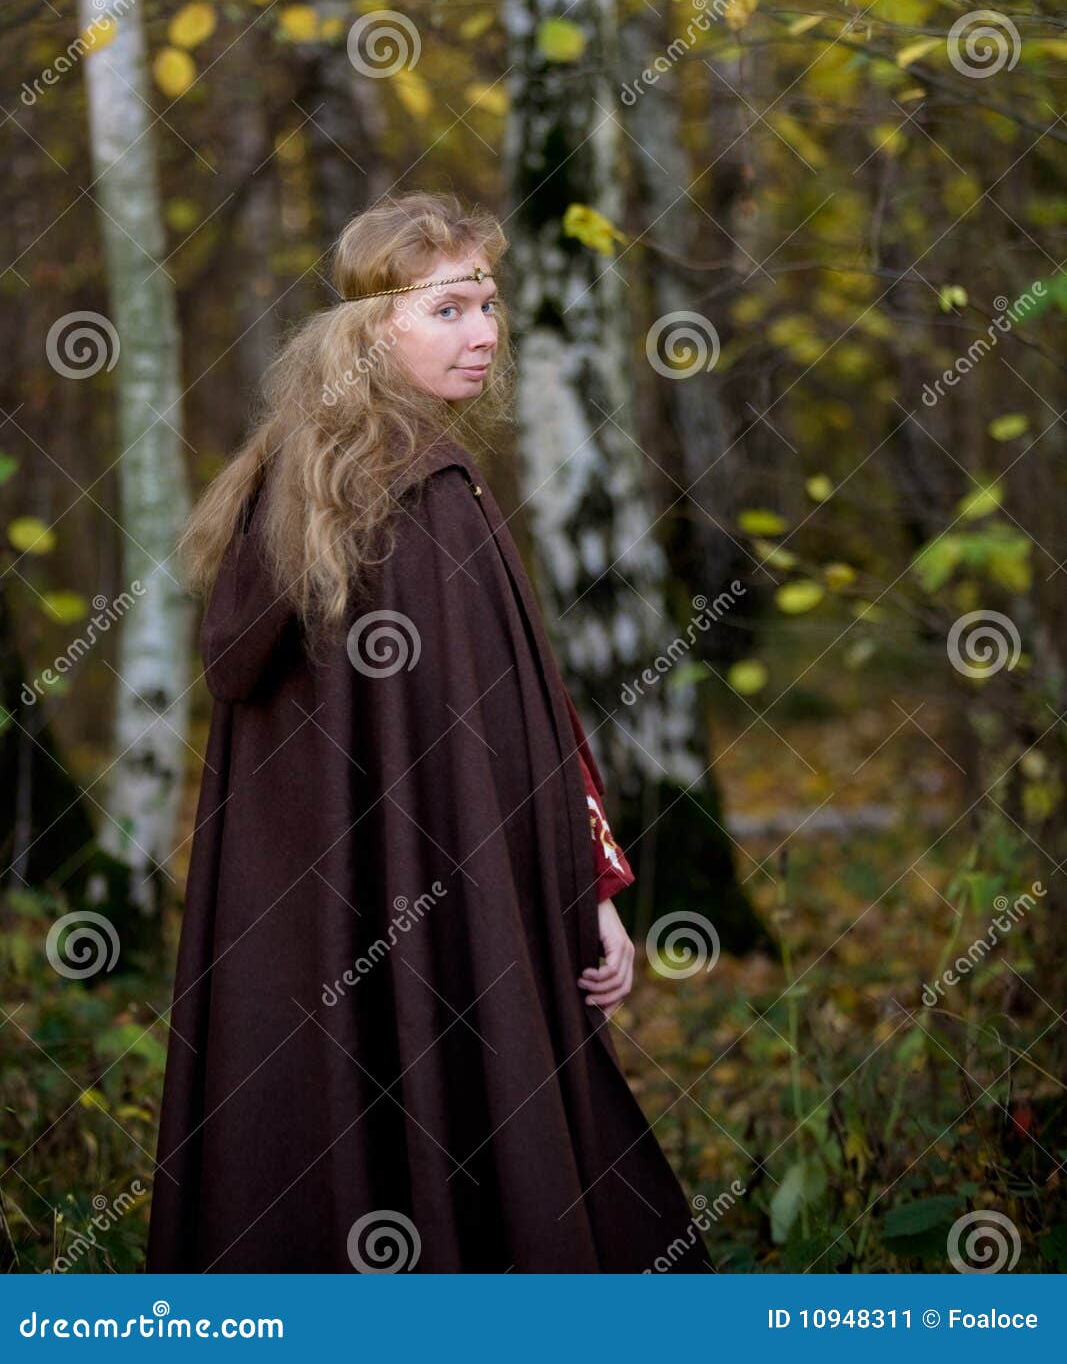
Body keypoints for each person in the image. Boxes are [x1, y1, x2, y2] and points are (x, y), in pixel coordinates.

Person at [144, 191, 711, 1273]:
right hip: (446, 923)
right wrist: (578, 890)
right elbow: (513, 740)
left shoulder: (293, 477)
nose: (486, 332)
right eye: (449, 309)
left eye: (488, 304)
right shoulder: (426, 492)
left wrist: (581, 878)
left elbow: (507, 719)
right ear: (372, 331)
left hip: (317, 938)